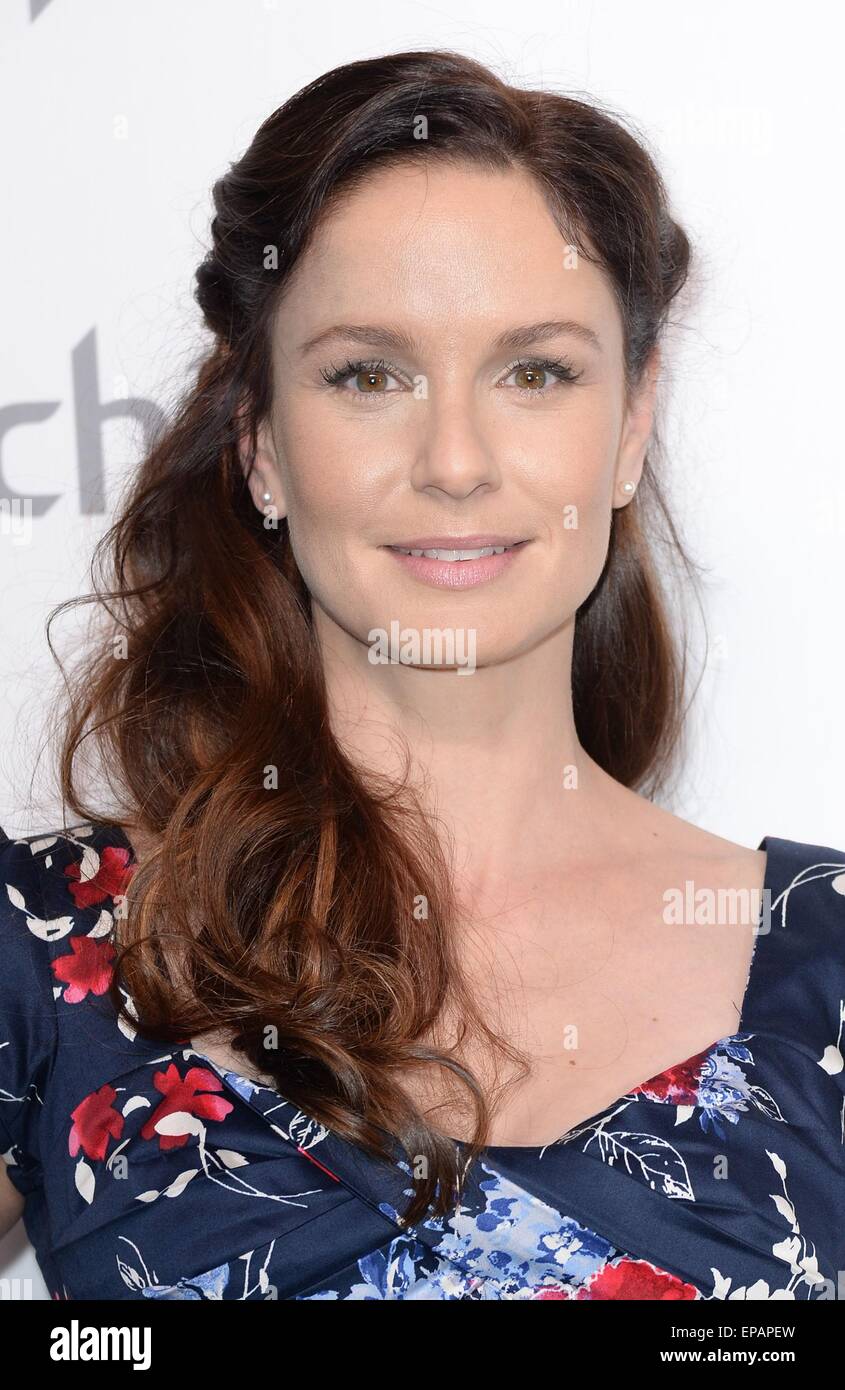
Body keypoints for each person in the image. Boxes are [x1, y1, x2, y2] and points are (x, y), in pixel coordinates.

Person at [1, 49, 843, 1301]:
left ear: (627, 427)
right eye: (366, 374)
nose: (454, 458)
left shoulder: (822, 968)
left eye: (534, 371)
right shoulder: (43, 952)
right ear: (261, 444)